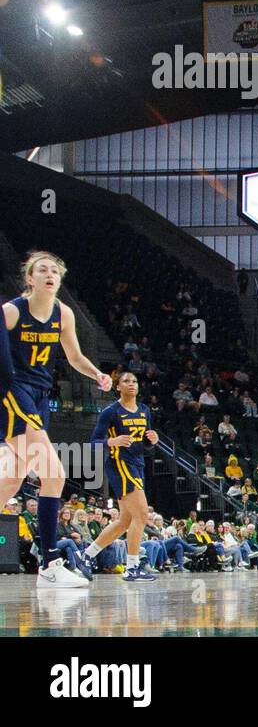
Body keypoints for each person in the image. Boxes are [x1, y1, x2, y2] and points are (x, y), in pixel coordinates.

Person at [0, 251, 112, 588]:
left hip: (39, 397)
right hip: (13, 393)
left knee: (10, 482)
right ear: (29, 278)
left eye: (55, 271)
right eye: (42, 270)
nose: (50, 275)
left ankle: (48, 564)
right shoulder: (11, 312)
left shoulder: (63, 314)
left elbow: (75, 356)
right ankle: (49, 562)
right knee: (54, 473)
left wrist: (96, 374)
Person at [83, 372, 159, 581]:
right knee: (142, 515)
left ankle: (86, 555)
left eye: (134, 381)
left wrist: (152, 440)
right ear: (118, 387)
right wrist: (111, 442)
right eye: (126, 381)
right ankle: (132, 567)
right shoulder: (110, 411)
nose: (131, 384)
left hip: (137, 464)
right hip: (119, 465)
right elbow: (93, 442)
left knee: (125, 520)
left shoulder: (144, 410)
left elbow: (145, 445)